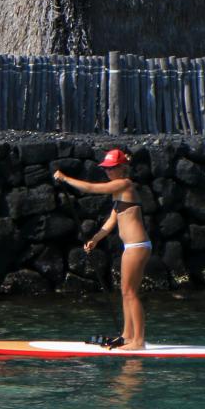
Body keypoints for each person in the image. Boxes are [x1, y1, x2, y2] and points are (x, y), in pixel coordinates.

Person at [53, 149, 148, 351]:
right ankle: (127, 336)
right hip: (131, 246)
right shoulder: (118, 193)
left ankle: (139, 341)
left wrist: (65, 178)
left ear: (122, 168)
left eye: (112, 168)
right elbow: (112, 220)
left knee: (131, 293)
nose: (108, 172)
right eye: (106, 169)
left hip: (137, 245)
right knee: (125, 292)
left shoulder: (125, 184)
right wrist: (95, 239)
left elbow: (91, 188)